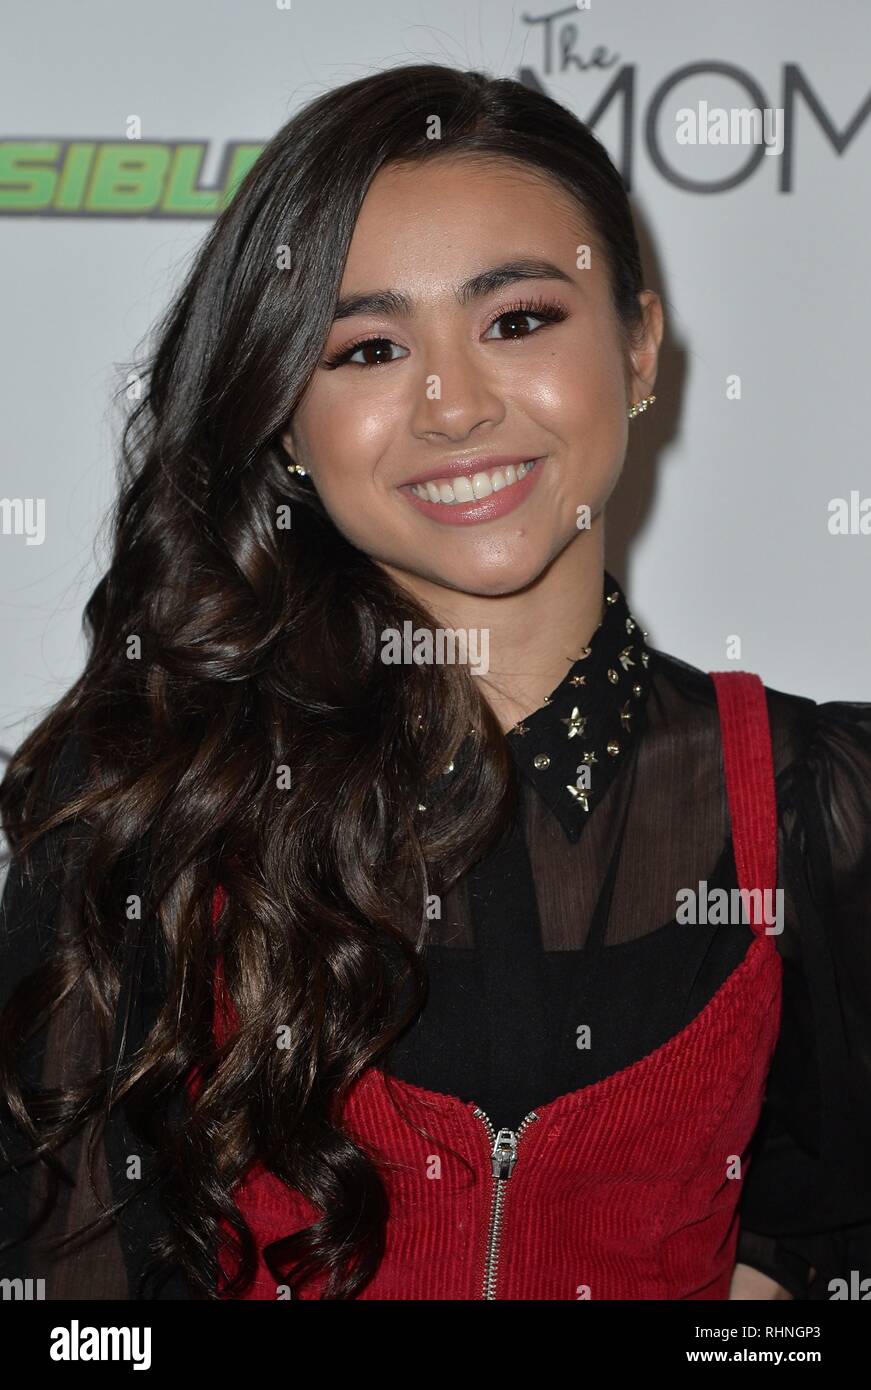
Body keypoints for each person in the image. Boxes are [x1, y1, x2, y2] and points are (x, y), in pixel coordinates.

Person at [1, 63, 869, 1302]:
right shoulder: (143, 798)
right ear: (285, 424)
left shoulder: (812, 802)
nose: (453, 404)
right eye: (367, 347)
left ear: (638, 347)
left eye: (517, 319)